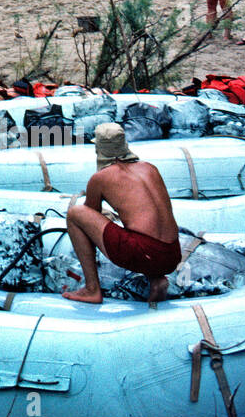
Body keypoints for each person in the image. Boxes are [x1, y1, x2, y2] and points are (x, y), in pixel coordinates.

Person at [62, 123, 181, 305]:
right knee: (140, 228)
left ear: (99, 149)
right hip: (172, 255)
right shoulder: (150, 168)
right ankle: (157, 279)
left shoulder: (100, 178)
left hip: (146, 253)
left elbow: (88, 214)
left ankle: (92, 289)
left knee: (75, 213)